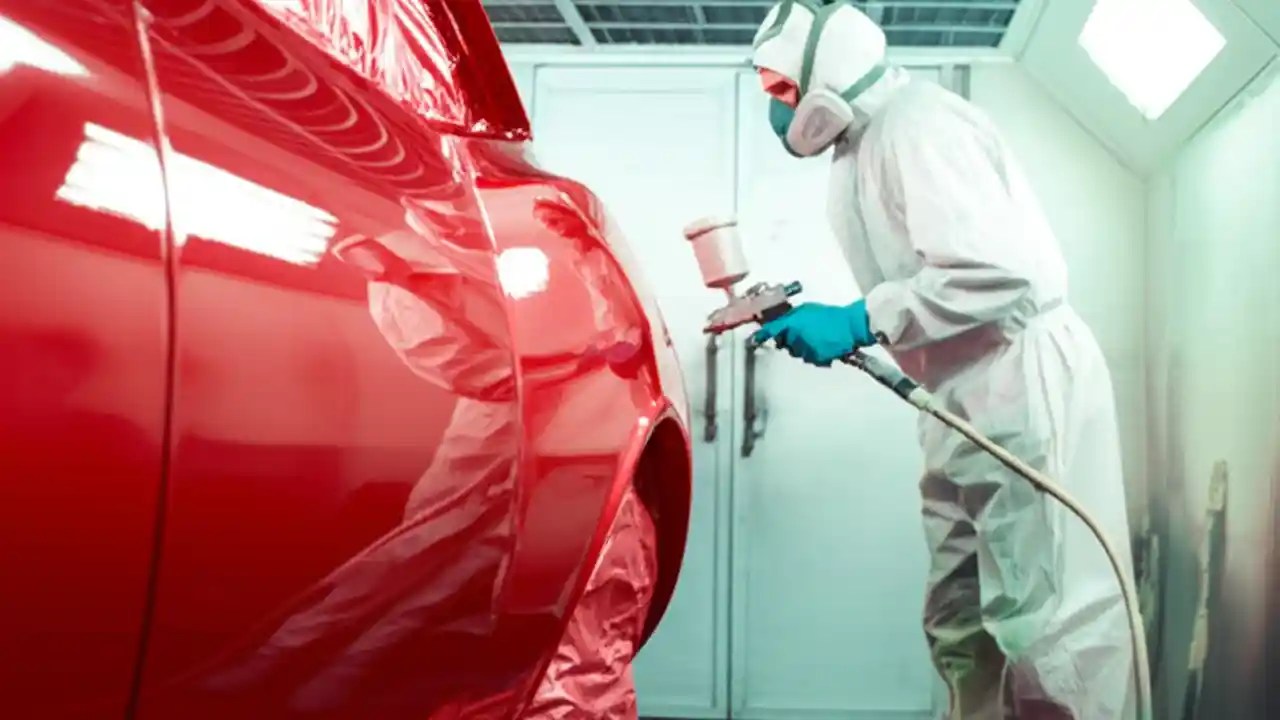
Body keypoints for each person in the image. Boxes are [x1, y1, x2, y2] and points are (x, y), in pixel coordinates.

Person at [747, 2, 1136, 718]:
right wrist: (855, 319)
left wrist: (862, 319)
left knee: (1047, 624)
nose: (777, 111)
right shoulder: (861, 147)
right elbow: (926, 275)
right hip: (957, 388)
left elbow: (997, 272)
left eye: (780, 89)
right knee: (960, 614)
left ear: (824, 70)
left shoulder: (918, 123)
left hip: (1016, 375)